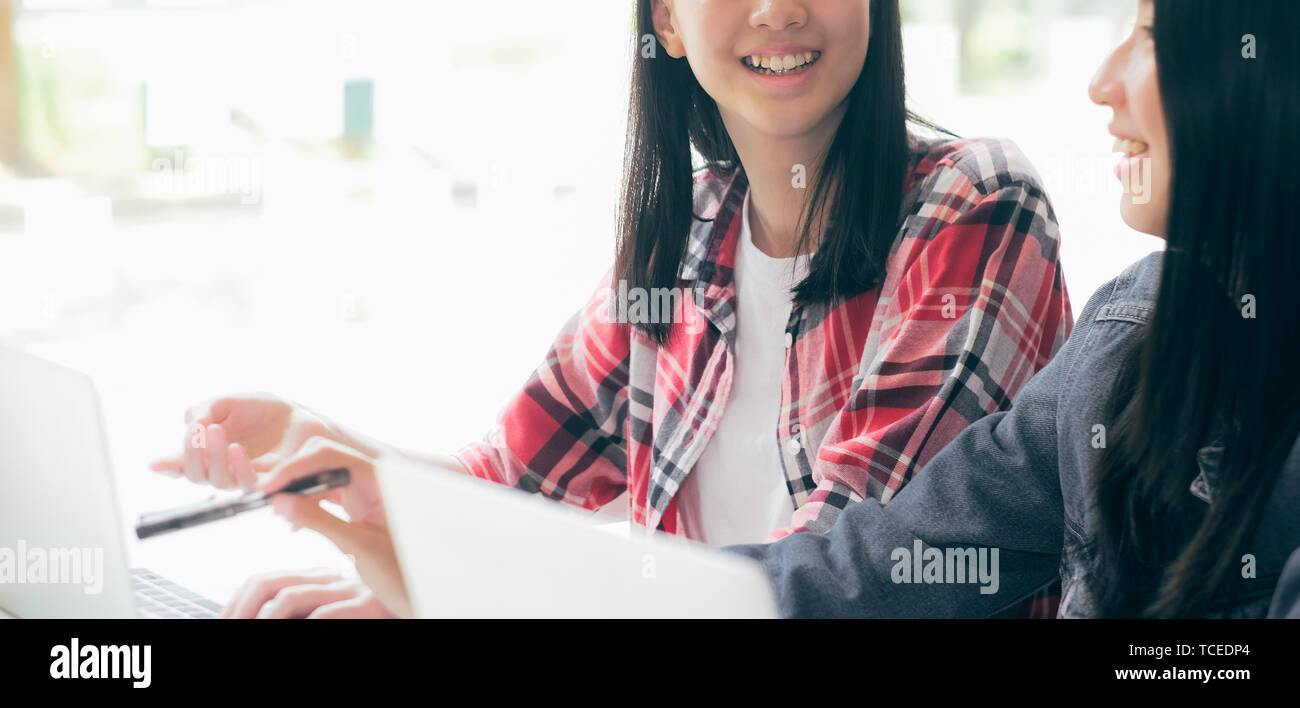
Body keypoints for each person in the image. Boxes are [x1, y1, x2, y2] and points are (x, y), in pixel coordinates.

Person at [151, 0, 1072, 619]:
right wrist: (332, 453)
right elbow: (510, 477)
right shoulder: (690, 237)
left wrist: (448, 591)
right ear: (667, 19)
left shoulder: (975, 202)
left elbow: (843, 578)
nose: (779, 9)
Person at [722, 0, 1300, 618]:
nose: (1101, 84)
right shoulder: (1129, 340)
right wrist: (681, 590)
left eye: (1152, 36)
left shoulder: (978, 197)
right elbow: (888, 562)